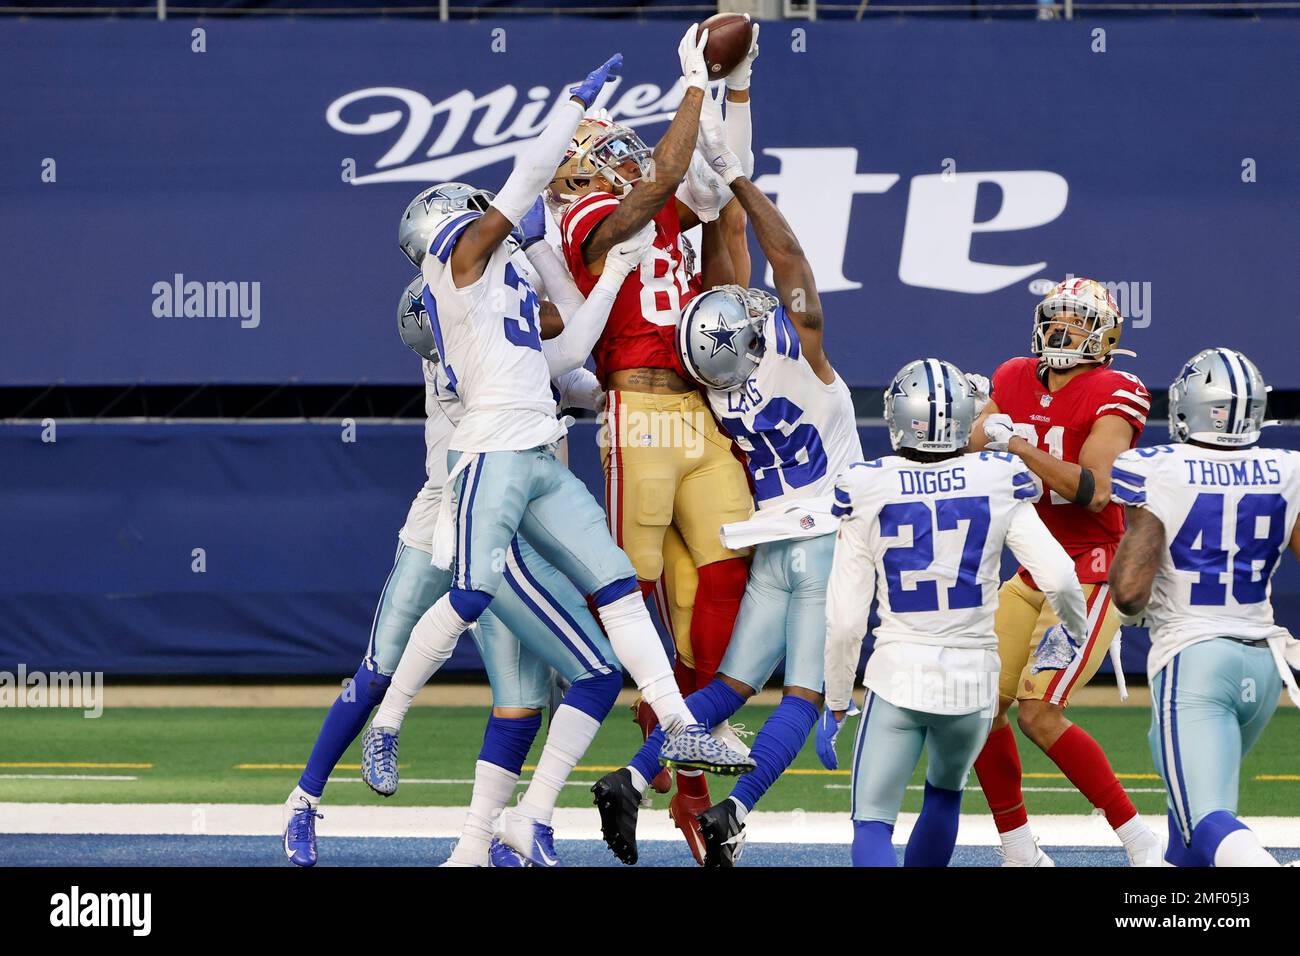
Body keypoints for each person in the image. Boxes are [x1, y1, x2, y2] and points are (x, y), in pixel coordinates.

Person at [819, 359, 1089, 867]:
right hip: (973, 684)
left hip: (899, 675)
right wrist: (1074, 633)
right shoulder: (998, 476)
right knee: (943, 798)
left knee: (872, 824)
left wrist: (836, 699)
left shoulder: (868, 484)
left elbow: (846, 621)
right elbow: (1060, 577)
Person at [967, 277, 1163, 866]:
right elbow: (975, 447)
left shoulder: (1116, 389)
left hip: (1089, 577)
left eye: (1077, 321)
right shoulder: (1012, 375)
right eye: (1055, 318)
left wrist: (1020, 448)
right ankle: (1019, 847)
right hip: (1030, 571)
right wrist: (981, 429)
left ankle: (1139, 841)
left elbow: (1096, 491)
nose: (1061, 331)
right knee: (974, 705)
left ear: (1104, 335)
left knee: (1039, 712)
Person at [1109, 347, 1300, 866]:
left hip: (1193, 660)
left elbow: (1129, 591)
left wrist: (1122, 615)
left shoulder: (1158, 468)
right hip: (1263, 665)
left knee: (1208, 822)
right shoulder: (1288, 468)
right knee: (1188, 837)